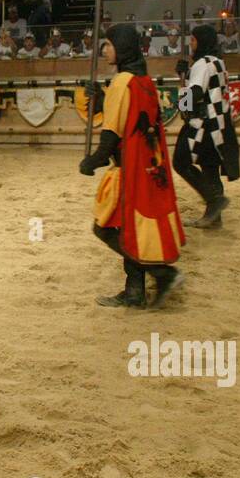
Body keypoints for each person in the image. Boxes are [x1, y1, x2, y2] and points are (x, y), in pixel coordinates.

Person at [79, 24, 185, 308]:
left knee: (104, 227)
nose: (105, 50)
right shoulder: (143, 80)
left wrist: (91, 162)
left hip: (129, 170)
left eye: (110, 44)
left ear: (122, 48)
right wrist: (103, 99)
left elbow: (111, 139)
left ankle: (163, 274)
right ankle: (134, 291)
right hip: (148, 168)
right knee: (130, 228)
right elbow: (132, 115)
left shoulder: (121, 82)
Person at [173, 24, 240, 228]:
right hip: (220, 123)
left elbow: (194, 94)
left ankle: (214, 200)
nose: (191, 44)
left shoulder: (202, 64)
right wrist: (183, 76)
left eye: (193, 40)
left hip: (204, 125)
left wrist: (181, 99)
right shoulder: (218, 62)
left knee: (180, 161)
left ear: (201, 41)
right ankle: (214, 219)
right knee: (209, 168)